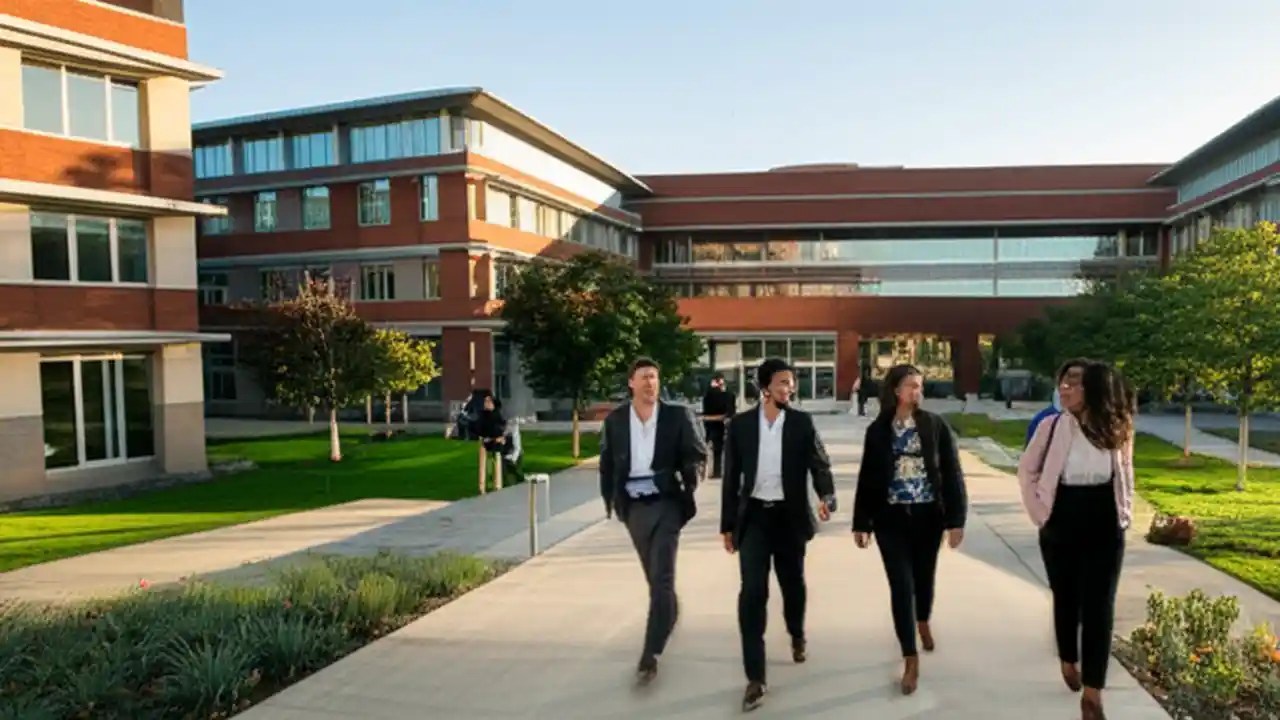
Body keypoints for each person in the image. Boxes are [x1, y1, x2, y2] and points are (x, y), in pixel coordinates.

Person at [1018, 359, 1134, 720]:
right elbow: (1027, 470)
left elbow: (1126, 470)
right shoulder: (1051, 426)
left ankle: (1093, 692)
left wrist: (1124, 511)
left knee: (1100, 606)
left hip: (1103, 517)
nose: (1064, 389)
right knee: (1067, 598)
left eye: (1074, 383)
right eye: (1062, 383)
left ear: (1095, 389)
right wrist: (1040, 513)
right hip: (1061, 515)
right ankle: (1069, 658)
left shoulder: (1117, 427)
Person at [721, 357, 837, 712]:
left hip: (789, 519)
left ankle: (797, 633)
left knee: (793, 585)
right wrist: (727, 525)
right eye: (784, 382)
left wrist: (826, 497)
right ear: (766, 387)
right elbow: (730, 479)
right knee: (752, 593)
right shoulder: (740, 426)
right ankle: (755, 678)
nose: (790, 388)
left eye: (792, 383)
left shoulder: (801, 423)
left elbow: (820, 463)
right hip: (754, 517)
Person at [852, 363, 968, 696]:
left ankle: (923, 621)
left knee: (923, 579)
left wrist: (955, 520)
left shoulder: (934, 425)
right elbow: (868, 477)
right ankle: (910, 656)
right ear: (895, 389)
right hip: (890, 518)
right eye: (910, 386)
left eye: (919, 386)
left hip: (928, 516)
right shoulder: (878, 430)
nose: (916, 392)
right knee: (901, 586)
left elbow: (952, 473)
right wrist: (862, 522)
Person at [599, 357, 707, 685]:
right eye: (644, 377)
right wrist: (611, 503)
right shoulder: (617, 421)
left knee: (661, 578)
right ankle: (668, 611)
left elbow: (698, 454)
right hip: (634, 507)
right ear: (631, 383)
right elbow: (607, 463)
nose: (651, 383)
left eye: (655, 378)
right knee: (656, 580)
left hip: (668, 502)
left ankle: (650, 655)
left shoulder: (677, 416)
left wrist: (687, 479)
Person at [701, 373, 736, 478]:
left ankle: (713, 471)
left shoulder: (711, 395)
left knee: (714, 449)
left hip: (714, 424)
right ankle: (715, 471)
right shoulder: (714, 395)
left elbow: (730, 411)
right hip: (716, 424)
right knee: (717, 449)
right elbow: (730, 411)